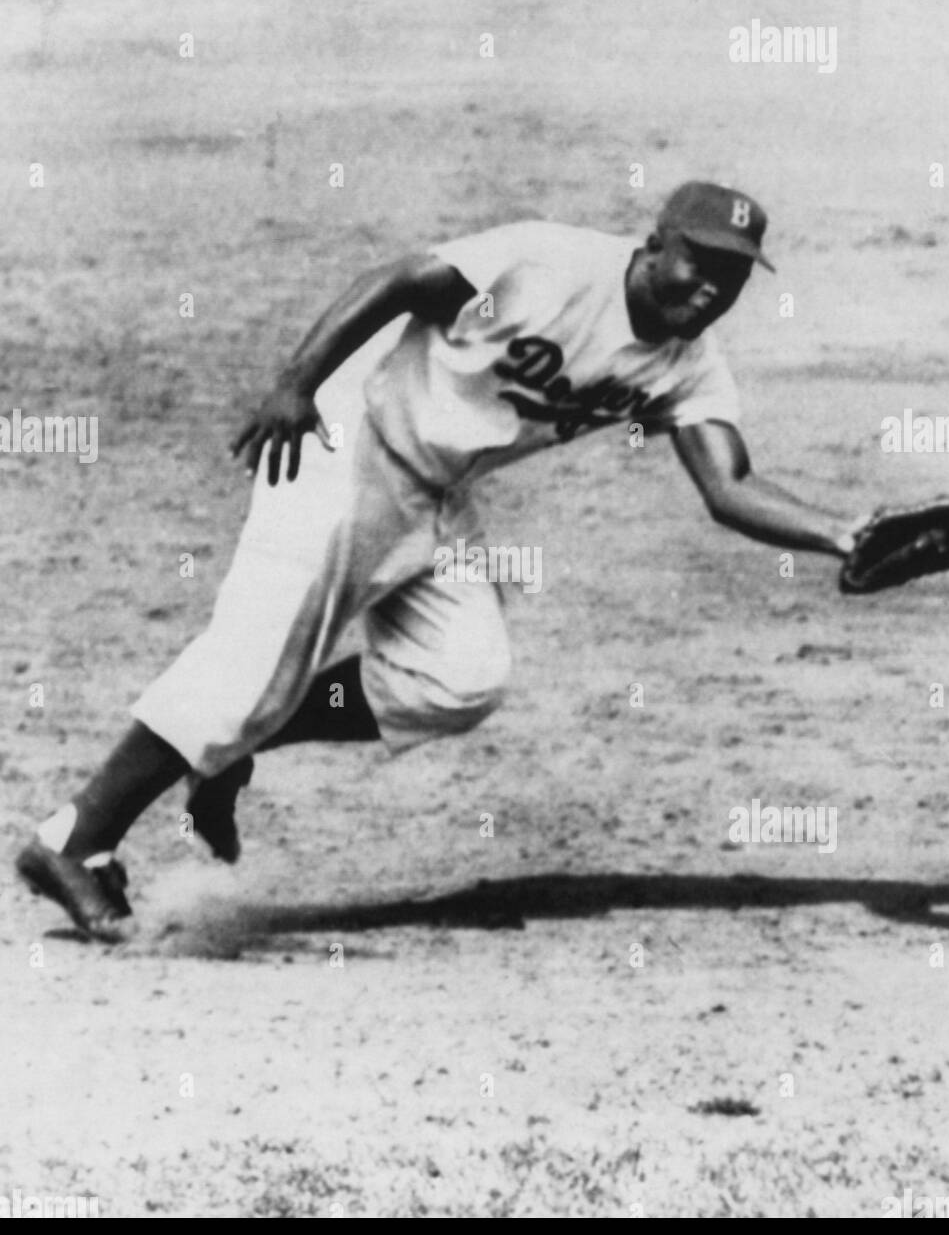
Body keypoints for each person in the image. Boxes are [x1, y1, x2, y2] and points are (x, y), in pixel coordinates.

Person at [16, 181, 858, 941]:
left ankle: (238, 744)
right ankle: (74, 840)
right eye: (699, 262)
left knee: (460, 677)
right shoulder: (552, 262)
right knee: (250, 666)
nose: (711, 287)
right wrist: (295, 382)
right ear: (654, 243)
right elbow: (403, 280)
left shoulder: (688, 364)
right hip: (349, 442)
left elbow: (728, 485)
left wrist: (844, 534)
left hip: (437, 488)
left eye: (735, 276)